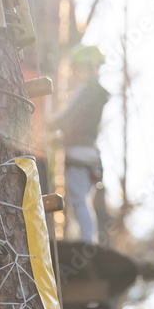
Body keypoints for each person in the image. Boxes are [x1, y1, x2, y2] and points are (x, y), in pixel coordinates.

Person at [53, 44, 110, 245]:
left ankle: (88, 243)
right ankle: (89, 241)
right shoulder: (95, 94)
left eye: (77, 68)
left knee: (78, 202)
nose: (75, 73)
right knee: (82, 201)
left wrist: (49, 124)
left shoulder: (86, 91)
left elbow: (68, 116)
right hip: (91, 155)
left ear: (88, 67)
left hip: (79, 153)